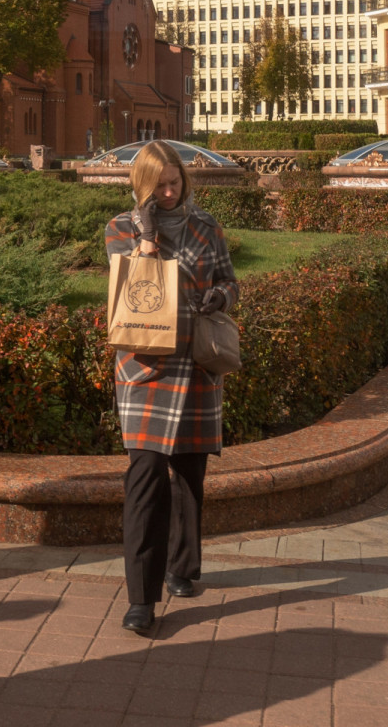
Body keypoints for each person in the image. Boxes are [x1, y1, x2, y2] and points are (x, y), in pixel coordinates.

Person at [102, 138, 237, 637]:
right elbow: (136, 290)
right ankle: (141, 598)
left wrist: (217, 296)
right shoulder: (121, 227)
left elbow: (230, 280)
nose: (168, 191)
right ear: (142, 185)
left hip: (198, 364)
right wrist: (147, 236)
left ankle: (184, 568)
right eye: (158, 184)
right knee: (144, 479)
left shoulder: (207, 227)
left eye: (174, 182)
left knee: (189, 475)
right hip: (145, 369)